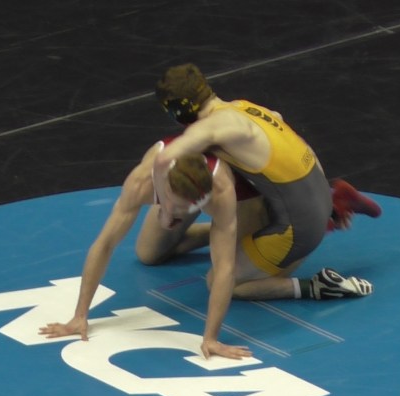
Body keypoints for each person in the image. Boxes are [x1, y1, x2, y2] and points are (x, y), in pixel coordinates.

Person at [152, 63, 381, 301]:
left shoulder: (211, 127)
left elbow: (164, 159)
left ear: (177, 112)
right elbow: (278, 118)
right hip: (315, 190)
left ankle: (317, 286)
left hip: (298, 229)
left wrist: (167, 209)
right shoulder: (242, 106)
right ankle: (333, 206)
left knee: (222, 283)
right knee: (179, 246)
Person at [39, 142, 254, 360]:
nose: (181, 213)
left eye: (186, 208)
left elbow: (225, 270)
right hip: (178, 192)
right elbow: (105, 244)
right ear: (165, 186)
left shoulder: (222, 191)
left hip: (243, 190)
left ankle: (236, 232)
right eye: (177, 205)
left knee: (228, 252)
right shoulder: (141, 182)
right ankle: (219, 233)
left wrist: (210, 338)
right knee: (148, 254)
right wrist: (80, 315)